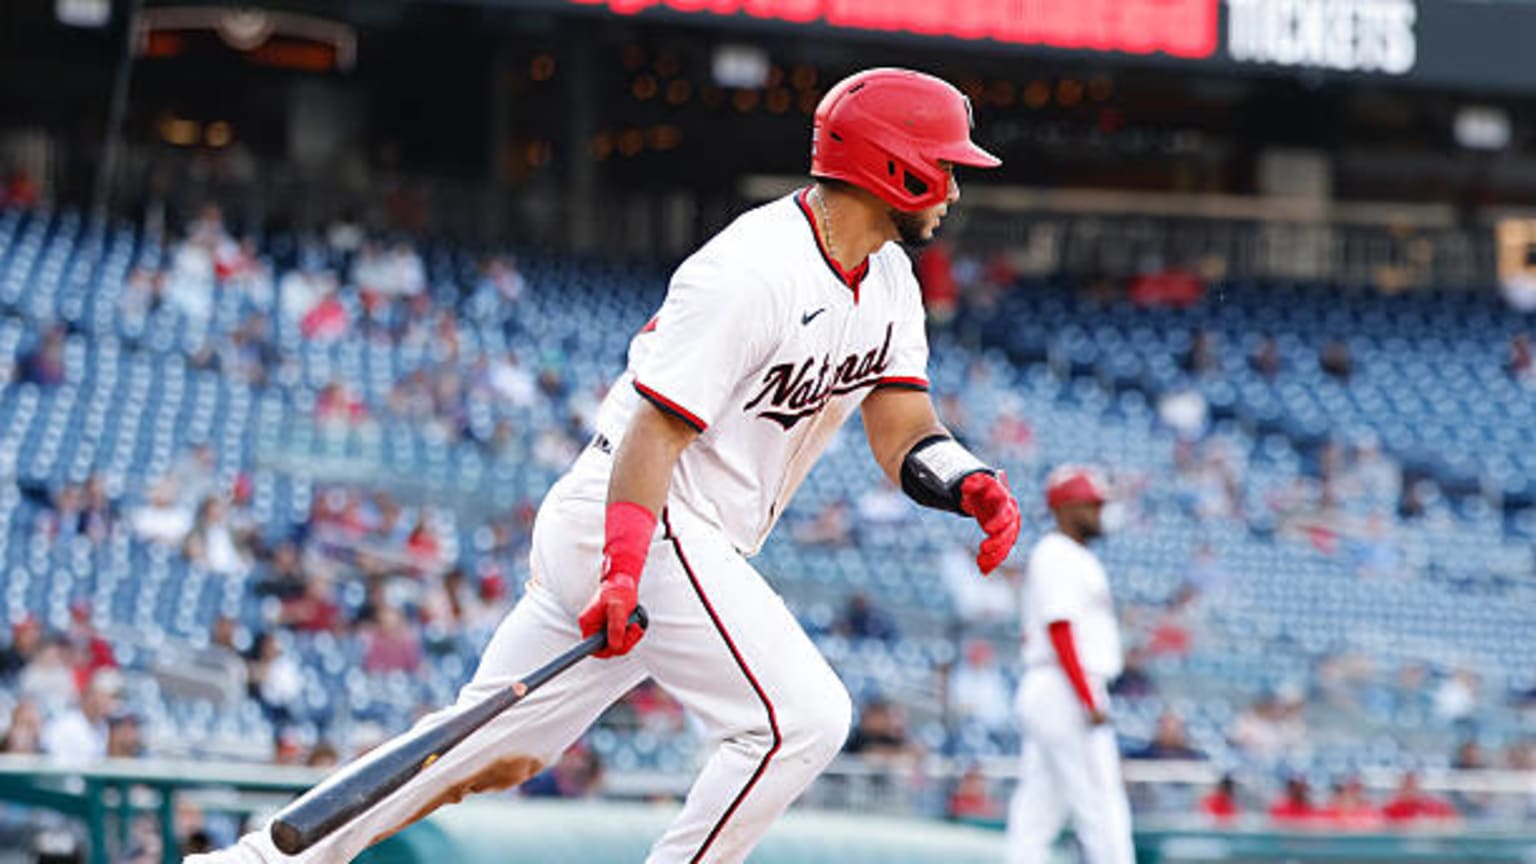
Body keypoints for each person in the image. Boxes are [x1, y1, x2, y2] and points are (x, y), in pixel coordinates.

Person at [190, 67, 1018, 864]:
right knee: (802, 720)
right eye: (944, 168)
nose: (953, 190)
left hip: (661, 534)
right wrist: (624, 568)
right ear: (894, 168)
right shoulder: (754, 269)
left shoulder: (890, 280)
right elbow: (652, 434)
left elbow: (902, 424)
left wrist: (965, 481)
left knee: (487, 748)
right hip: (645, 517)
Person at [1007, 465, 1133, 864]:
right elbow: (1060, 628)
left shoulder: (1069, 555)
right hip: (1065, 685)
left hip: (1055, 685)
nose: (1098, 512)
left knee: (1038, 809)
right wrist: (1086, 697)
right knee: (1101, 801)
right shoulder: (1057, 553)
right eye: (1090, 504)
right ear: (1064, 507)